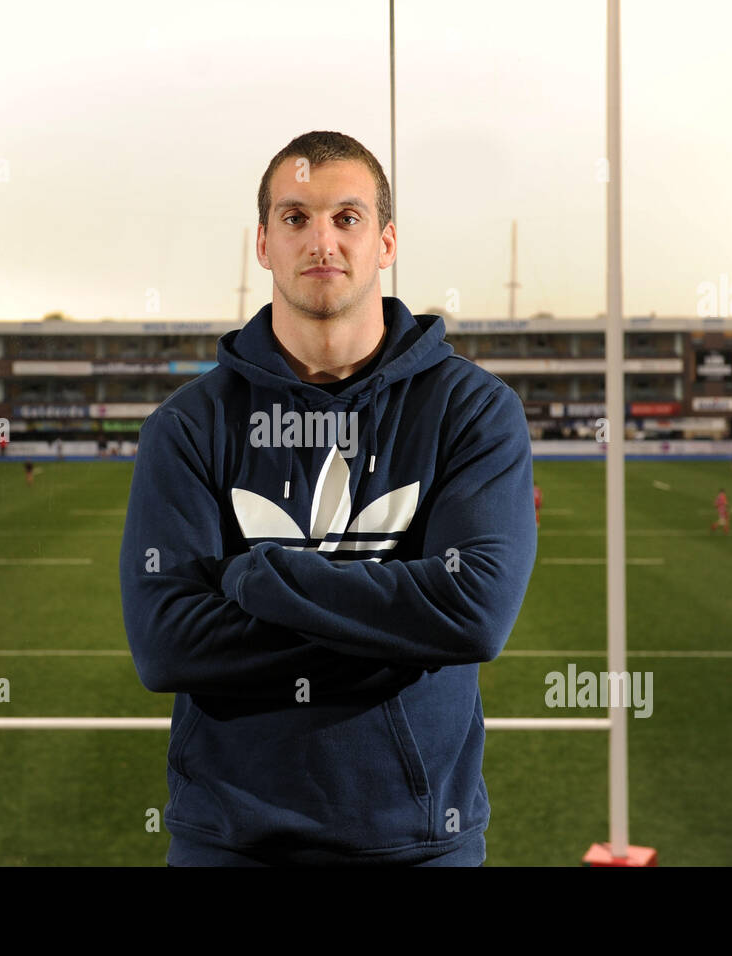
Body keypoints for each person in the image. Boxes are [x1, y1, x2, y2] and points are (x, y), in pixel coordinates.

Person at [120, 131, 537, 867]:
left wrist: (257, 577)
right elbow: (167, 645)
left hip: (421, 846)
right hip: (229, 844)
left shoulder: (473, 410)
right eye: (295, 217)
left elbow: (473, 615)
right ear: (262, 243)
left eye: (347, 217)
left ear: (386, 242)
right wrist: (402, 627)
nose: (322, 240)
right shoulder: (187, 423)